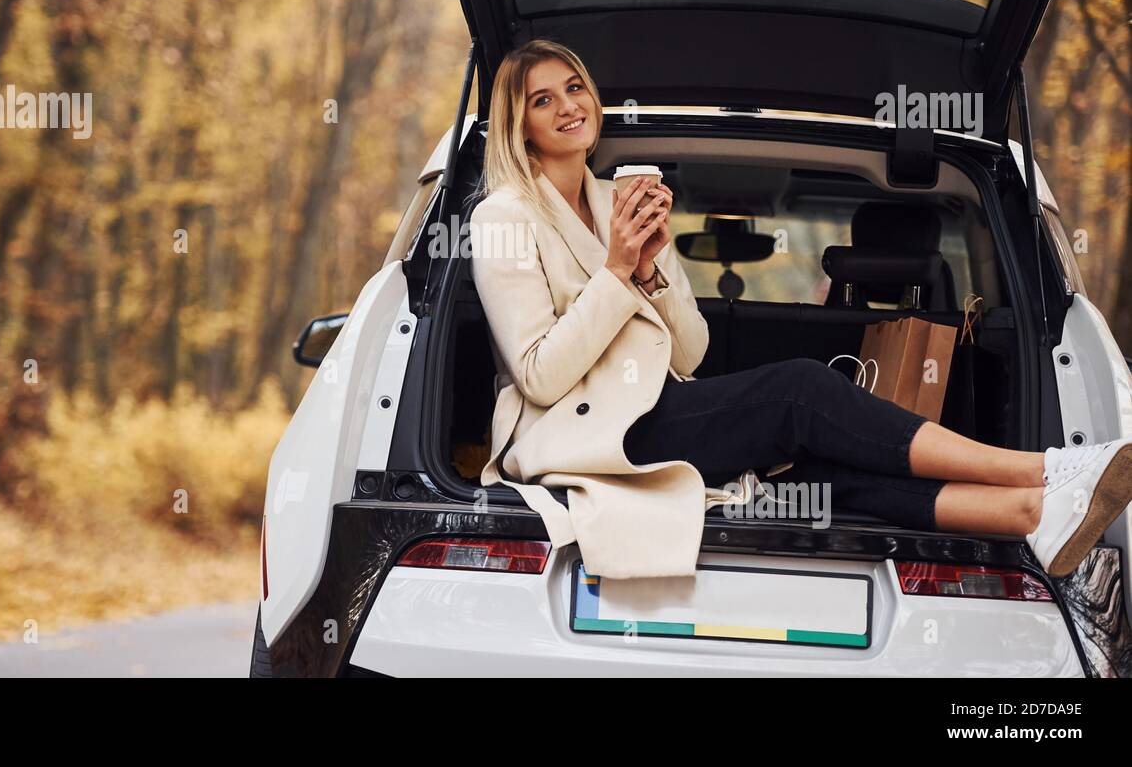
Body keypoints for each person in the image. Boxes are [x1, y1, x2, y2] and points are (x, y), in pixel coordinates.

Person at [468, 38, 1132, 578]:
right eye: (541, 99)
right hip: (579, 436)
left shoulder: (624, 200)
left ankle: (1028, 513)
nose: (567, 106)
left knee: (825, 471)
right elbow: (539, 376)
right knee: (800, 390)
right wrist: (616, 269)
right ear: (517, 125)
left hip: (650, 413)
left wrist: (648, 272)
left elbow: (692, 355)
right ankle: (1047, 468)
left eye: (575, 87)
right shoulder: (505, 216)